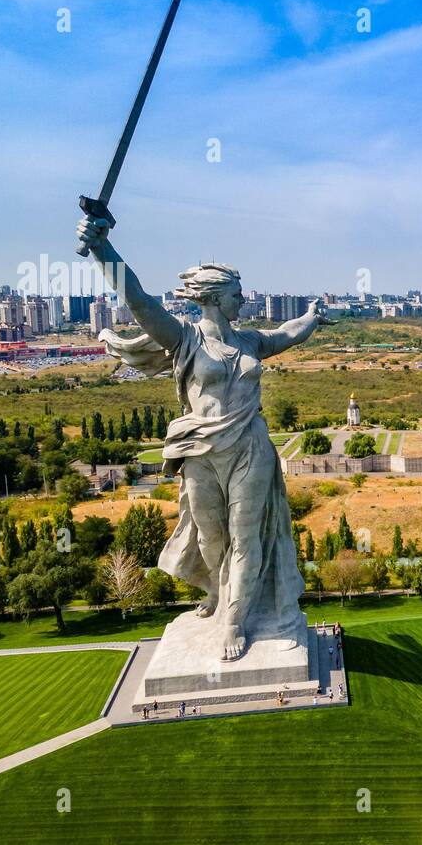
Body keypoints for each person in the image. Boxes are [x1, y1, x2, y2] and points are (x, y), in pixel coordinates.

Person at [78, 215, 324, 664]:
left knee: (246, 536)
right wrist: (102, 251)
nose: (244, 300)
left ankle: (234, 621)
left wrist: (312, 316)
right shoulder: (184, 338)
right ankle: (218, 587)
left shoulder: (250, 341)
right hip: (201, 450)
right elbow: (140, 303)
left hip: (249, 447)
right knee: (211, 536)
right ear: (213, 298)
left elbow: (288, 334)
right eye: (236, 294)